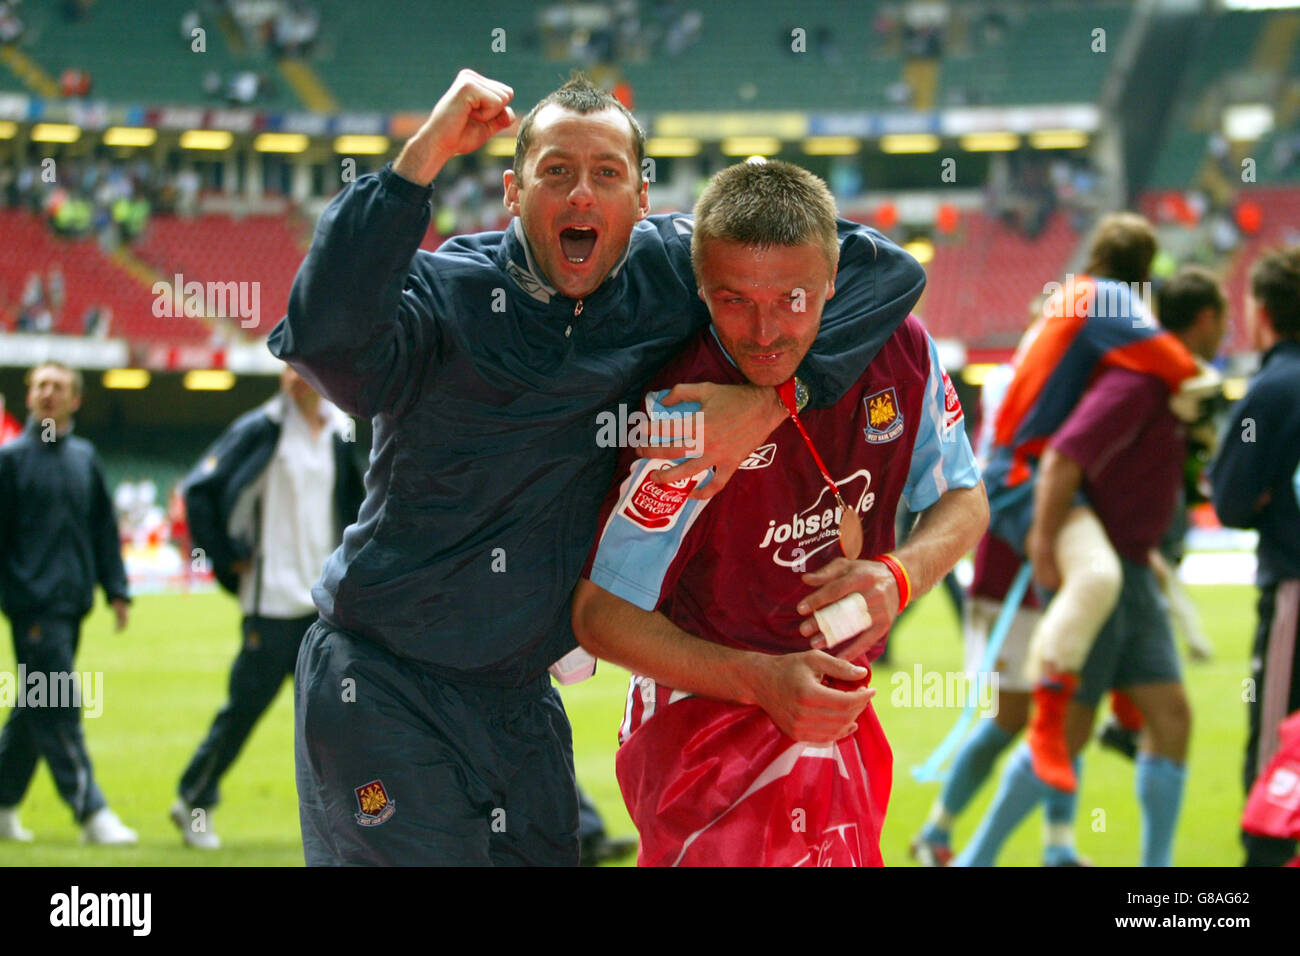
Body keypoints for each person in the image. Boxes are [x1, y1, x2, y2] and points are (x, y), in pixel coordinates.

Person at [269, 70, 925, 865]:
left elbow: (879, 269)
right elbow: (325, 343)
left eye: (607, 174)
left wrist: (776, 398)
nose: (582, 195)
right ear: (513, 192)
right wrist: (423, 158)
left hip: (519, 700)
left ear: (642, 199)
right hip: (383, 681)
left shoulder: (668, 276)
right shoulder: (445, 298)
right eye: (556, 172)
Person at [570, 159, 987, 866]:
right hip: (700, 737)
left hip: (837, 713)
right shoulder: (685, 413)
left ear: (834, 282)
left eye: (794, 298)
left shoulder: (902, 352)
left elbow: (964, 497)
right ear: (701, 290)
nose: (764, 332)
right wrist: (758, 681)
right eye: (733, 300)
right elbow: (600, 617)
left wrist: (900, 575)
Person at [956, 265, 1227, 866]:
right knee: (1066, 734)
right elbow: (1063, 459)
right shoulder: (1138, 383)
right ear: (1204, 323)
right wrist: (1049, 544)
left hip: (1130, 569)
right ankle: (974, 856)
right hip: (1101, 572)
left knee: (1172, 718)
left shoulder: (1165, 386)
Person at [981, 214, 1208, 793]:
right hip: (1025, 472)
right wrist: (1194, 402)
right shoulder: (1104, 300)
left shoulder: (1068, 299)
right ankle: (1052, 726)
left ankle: (1124, 709)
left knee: (1121, 594)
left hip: (1018, 469)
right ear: (1141, 273)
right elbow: (1178, 363)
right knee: (1100, 577)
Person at [172, 364, 364, 849]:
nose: (301, 376)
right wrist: (226, 558)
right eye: (292, 368)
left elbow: (356, 502)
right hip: (271, 602)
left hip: (320, 605)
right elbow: (198, 490)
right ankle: (193, 799)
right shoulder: (261, 429)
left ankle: (353, 822)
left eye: (309, 367)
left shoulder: (338, 432)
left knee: (337, 715)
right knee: (244, 710)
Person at [0, 362, 137, 846]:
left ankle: (1, 804)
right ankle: (90, 811)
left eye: (57, 386)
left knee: (33, 704)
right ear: (29, 397)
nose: (47, 393)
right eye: (39, 386)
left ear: (75, 399)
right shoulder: (10, 460)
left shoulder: (84, 458)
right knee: (57, 701)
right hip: (32, 608)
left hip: (71, 603)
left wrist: (116, 589)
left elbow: (103, 529)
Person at [1210, 244, 1300, 867]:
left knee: (1276, 754)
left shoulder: (1270, 390)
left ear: (1263, 313)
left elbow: (1231, 499)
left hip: (1295, 586)